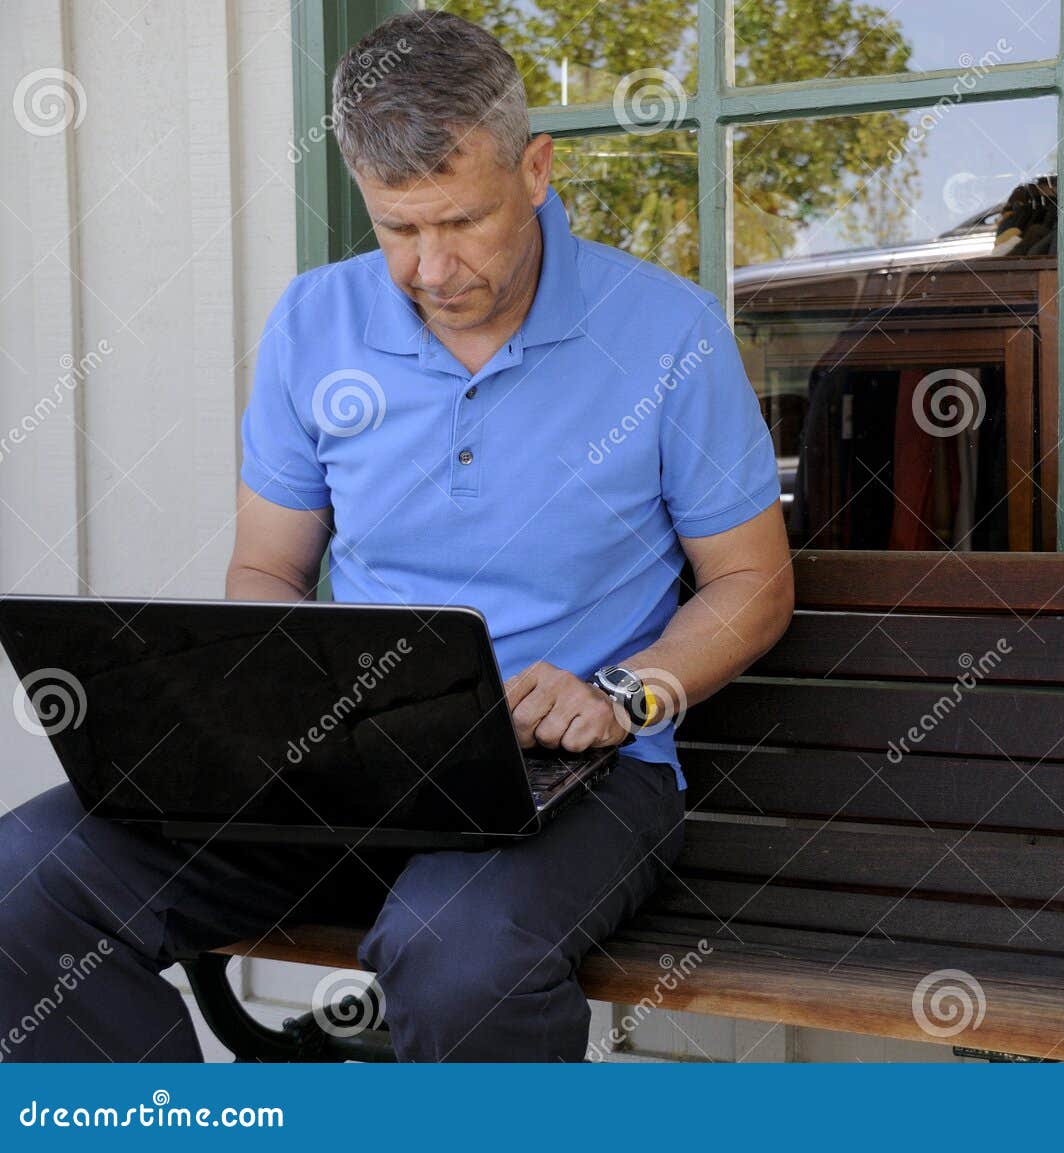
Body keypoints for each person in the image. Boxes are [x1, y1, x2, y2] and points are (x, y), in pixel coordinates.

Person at [0, 11, 792, 1062]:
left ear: (537, 168)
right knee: (23, 883)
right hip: (345, 767)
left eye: (461, 222)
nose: (429, 267)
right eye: (396, 229)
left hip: (572, 779)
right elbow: (267, 566)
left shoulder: (667, 331)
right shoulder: (312, 323)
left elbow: (749, 581)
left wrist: (625, 693)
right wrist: (269, 694)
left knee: (455, 955)